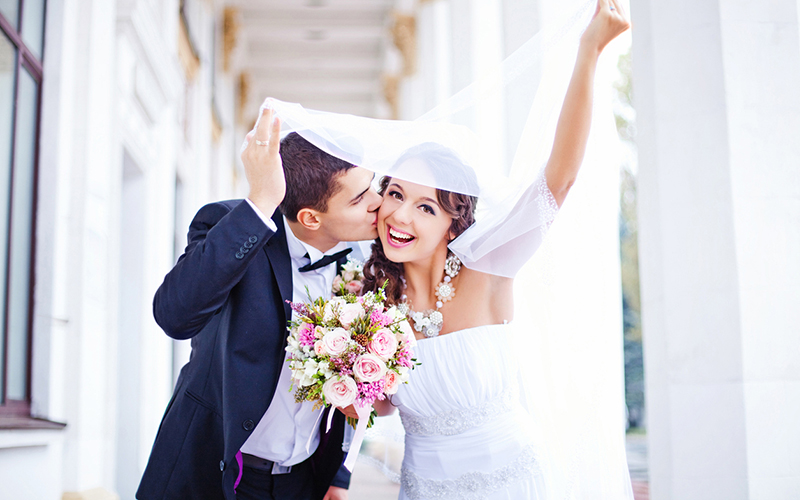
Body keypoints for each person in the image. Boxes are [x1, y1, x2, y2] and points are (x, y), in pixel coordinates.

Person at [358, 1, 632, 498]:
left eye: (427, 207)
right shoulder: (371, 304)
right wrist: (347, 378)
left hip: (512, 484)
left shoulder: (487, 268)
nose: (401, 216)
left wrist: (588, 53)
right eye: (396, 194)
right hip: (425, 487)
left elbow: (559, 180)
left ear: (451, 223)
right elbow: (381, 407)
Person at [136, 112, 382, 500]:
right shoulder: (232, 225)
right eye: (359, 198)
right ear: (310, 218)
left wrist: (339, 476)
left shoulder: (368, 264)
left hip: (304, 482)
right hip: (214, 474)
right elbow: (174, 315)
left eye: (372, 186)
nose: (378, 202)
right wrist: (261, 202)